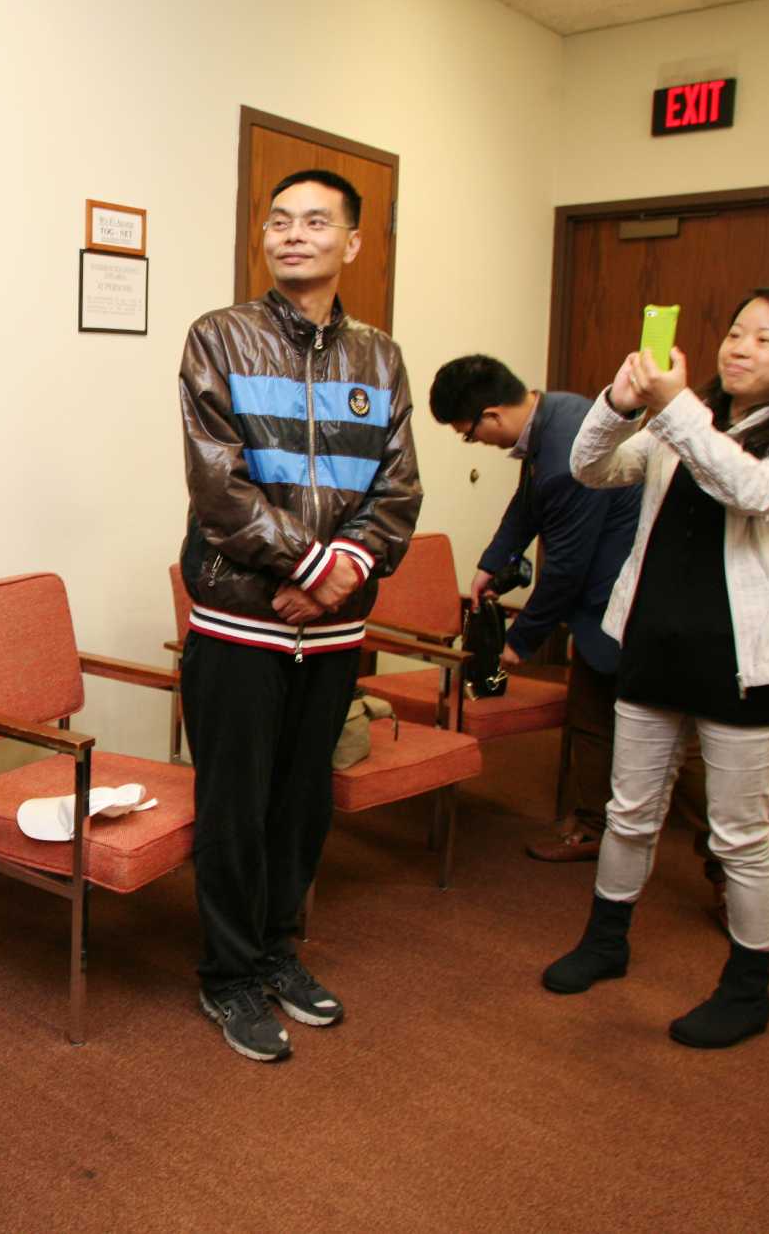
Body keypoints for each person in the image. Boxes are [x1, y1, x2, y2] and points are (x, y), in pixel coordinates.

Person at [542, 287, 769, 1050]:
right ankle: (606, 939)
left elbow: (750, 490)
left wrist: (678, 407)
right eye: (736, 332)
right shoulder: (692, 419)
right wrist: (618, 402)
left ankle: (748, 988)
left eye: (763, 340)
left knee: (738, 835)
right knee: (629, 810)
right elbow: (592, 467)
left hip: (746, 658)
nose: (737, 348)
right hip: (653, 642)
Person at [177, 168, 421, 1062]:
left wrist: (344, 569)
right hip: (240, 617)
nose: (293, 234)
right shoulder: (220, 337)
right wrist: (311, 563)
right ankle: (228, 975)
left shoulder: (382, 357)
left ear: (352, 243)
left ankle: (279, 950)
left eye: (316, 221)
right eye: (279, 220)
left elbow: (399, 486)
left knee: (303, 802)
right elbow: (219, 484)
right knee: (235, 805)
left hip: (334, 627)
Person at [427, 357, 639, 862]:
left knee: (607, 718)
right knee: (599, 716)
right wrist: (491, 563)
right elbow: (526, 506)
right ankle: (601, 820)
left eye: (470, 435)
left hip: (619, 600)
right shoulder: (557, 412)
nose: (474, 444)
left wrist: (520, 642)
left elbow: (565, 567)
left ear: (493, 415)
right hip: (605, 593)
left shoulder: (566, 454)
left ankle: (609, 831)